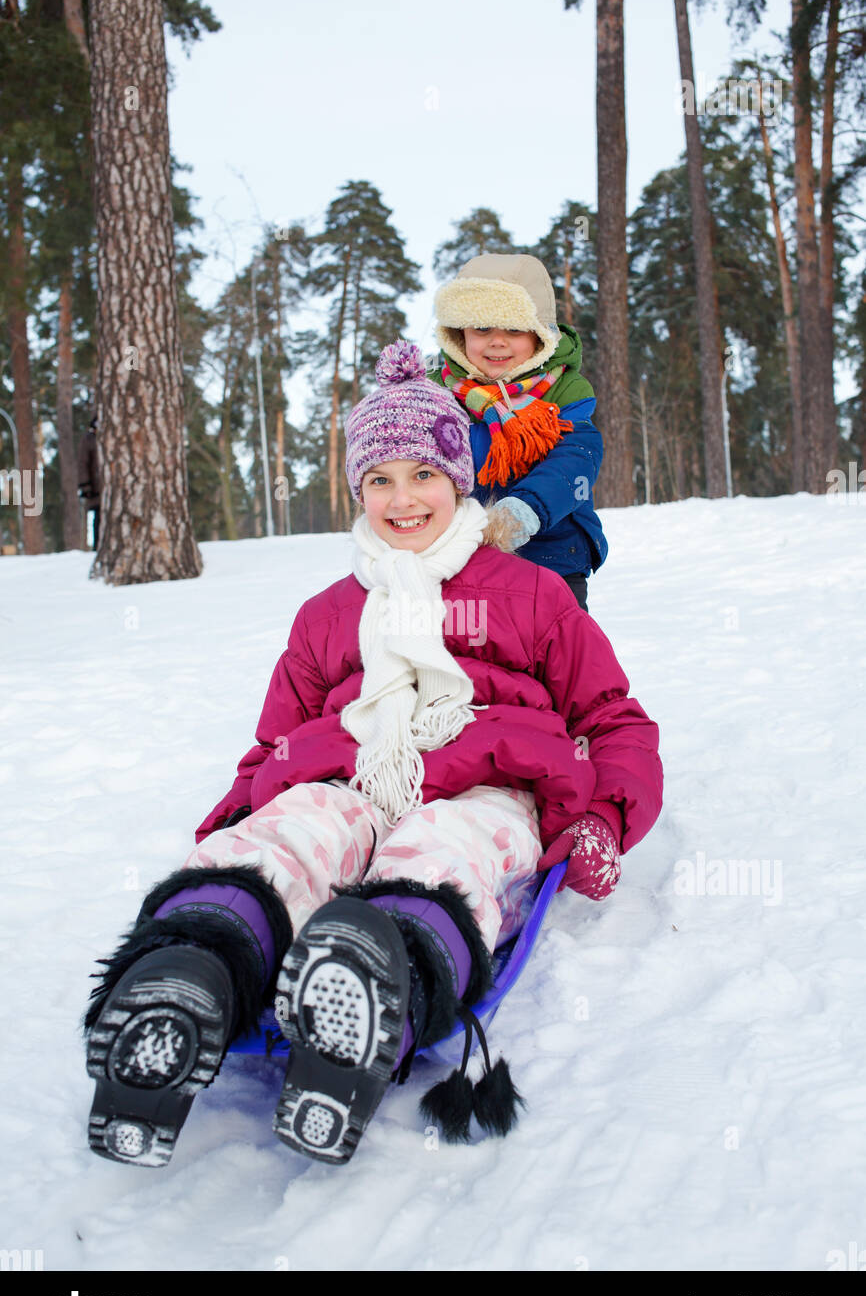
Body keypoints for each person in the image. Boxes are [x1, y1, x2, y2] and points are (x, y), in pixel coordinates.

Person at [84, 341, 662, 1171]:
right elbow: (272, 745)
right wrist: (240, 819)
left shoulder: (531, 594)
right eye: (379, 479)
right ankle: (191, 974)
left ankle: (376, 975)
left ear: (459, 480)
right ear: (357, 491)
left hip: (489, 780)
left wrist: (604, 817)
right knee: (293, 833)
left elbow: (615, 722)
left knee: (445, 849)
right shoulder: (330, 612)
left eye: (422, 475)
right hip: (349, 770)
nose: (402, 498)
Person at [428, 252, 606, 611]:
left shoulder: (563, 390)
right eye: (482, 329)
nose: (497, 341)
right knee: (469, 654)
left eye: (513, 329)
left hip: (550, 554)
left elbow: (574, 460)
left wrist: (526, 509)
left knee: (559, 654)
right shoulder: (434, 394)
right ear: (459, 334)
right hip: (455, 556)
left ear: (540, 334)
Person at [77, 415, 101, 549]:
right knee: (99, 518)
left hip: (106, 488)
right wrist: (85, 486)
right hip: (96, 488)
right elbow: (82, 464)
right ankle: (96, 547)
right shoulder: (89, 440)